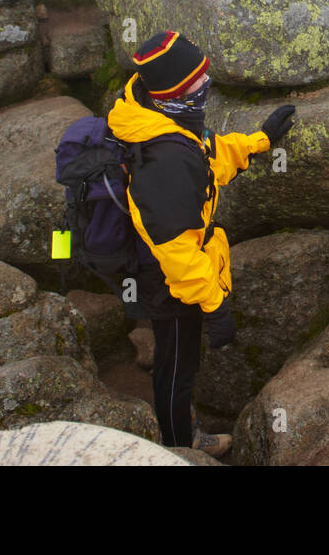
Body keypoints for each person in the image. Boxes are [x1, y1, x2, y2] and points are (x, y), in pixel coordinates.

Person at [106, 30, 295, 456]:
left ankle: (179, 430)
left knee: (178, 359)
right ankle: (178, 447)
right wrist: (215, 306)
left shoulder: (158, 116)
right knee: (177, 364)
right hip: (166, 277)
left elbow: (205, 156)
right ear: (174, 92)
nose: (206, 88)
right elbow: (176, 250)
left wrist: (258, 142)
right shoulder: (164, 159)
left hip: (169, 265)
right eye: (198, 84)